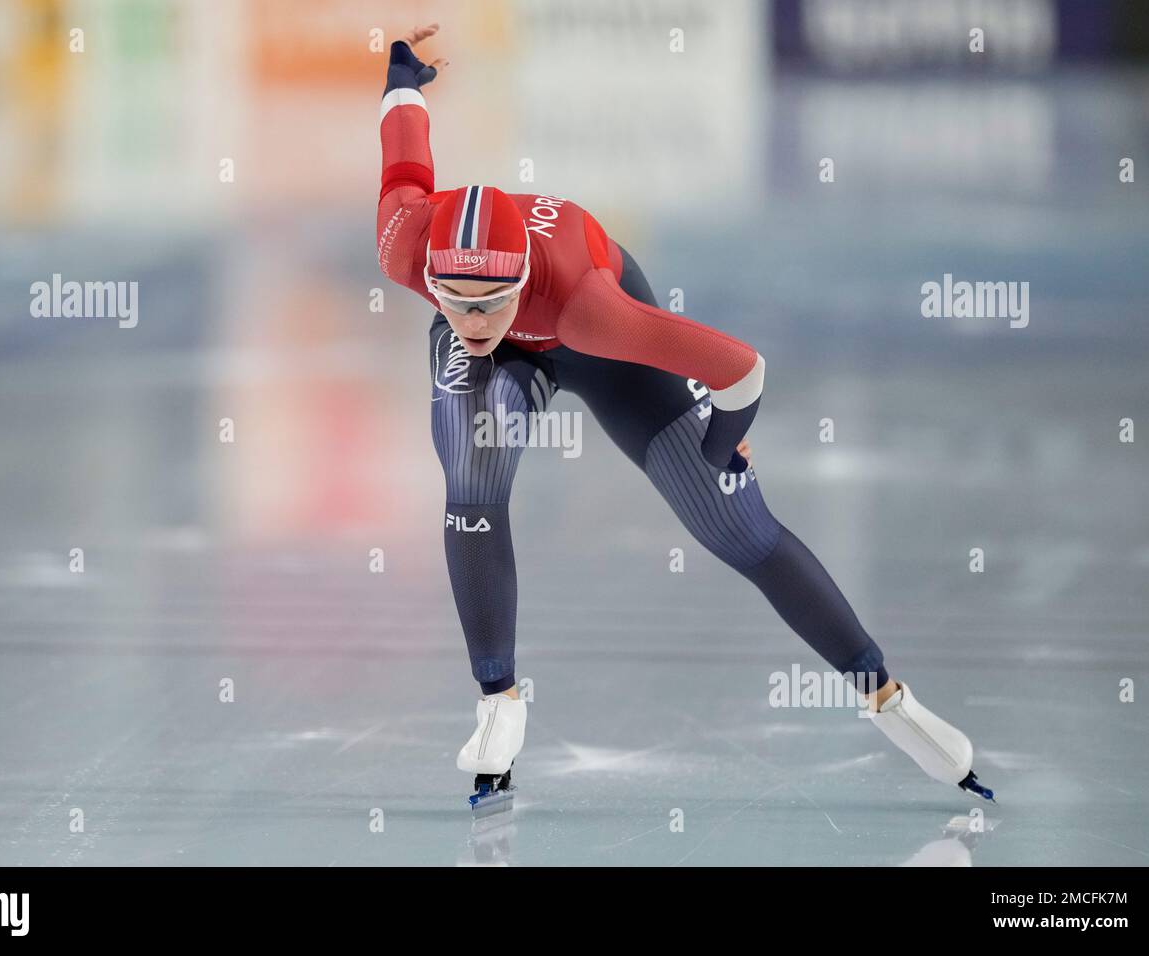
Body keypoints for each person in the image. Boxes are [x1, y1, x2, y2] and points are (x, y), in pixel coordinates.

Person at [375, 24, 992, 812]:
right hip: (526, 342)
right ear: (428, 273)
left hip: (588, 336)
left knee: (735, 525)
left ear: (520, 278)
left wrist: (724, 445)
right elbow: (404, 157)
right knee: (471, 470)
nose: (470, 319)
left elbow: (744, 369)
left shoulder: (596, 312)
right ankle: (499, 702)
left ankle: (889, 698)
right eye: (451, 298)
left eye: (488, 301)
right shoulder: (406, 245)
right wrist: (403, 78)